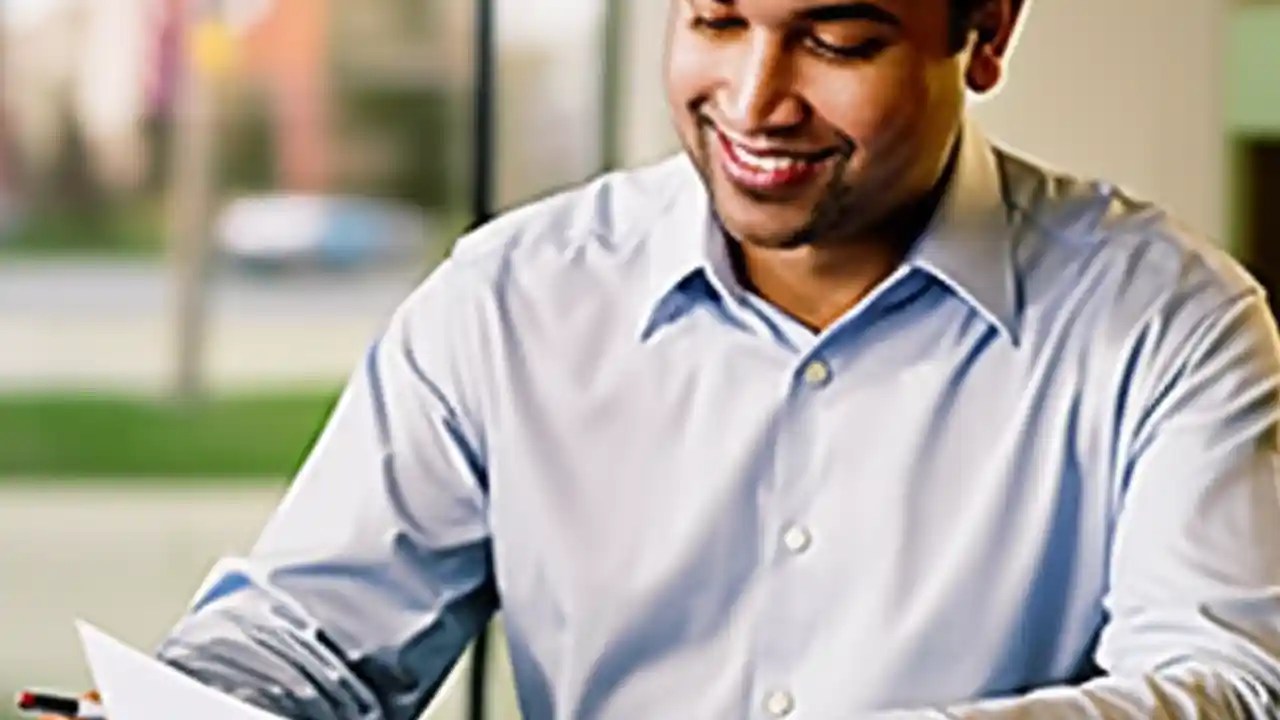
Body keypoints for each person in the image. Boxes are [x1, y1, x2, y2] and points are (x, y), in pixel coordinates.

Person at [69, 0, 1280, 717]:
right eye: (712, 17)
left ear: (986, 29)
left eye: (835, 39)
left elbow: (1220, 681)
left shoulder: (1169, 322)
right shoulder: (508, 303)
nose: (755, 99)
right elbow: (306, 639)